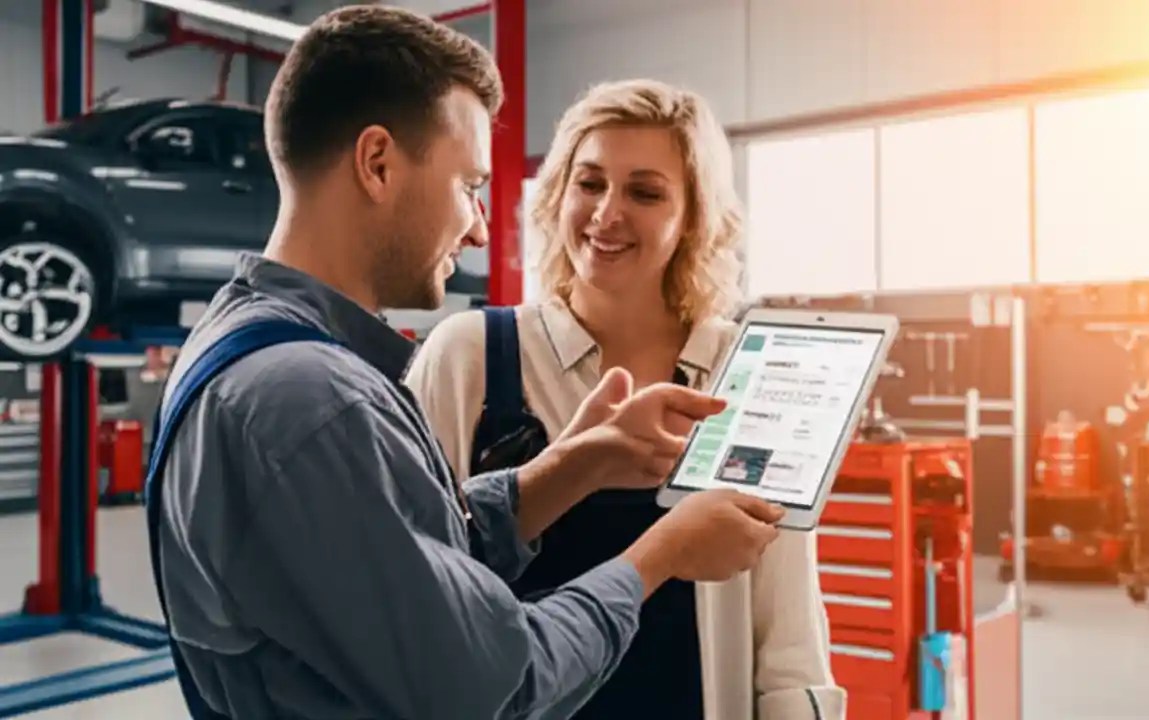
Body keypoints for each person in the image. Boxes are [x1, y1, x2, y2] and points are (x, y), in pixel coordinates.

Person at [147, 7, 786, 719]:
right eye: (469, 186)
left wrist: (578, 464)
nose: (481, 228)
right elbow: (495, 686)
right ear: (377, 164)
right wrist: (660, 555)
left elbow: (411, 555)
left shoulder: (248, 347)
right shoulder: (320, 404)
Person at [406, 79, 847, 719]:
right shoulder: (469, 355)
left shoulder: (747, 369)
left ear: (694, 216)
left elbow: (788, 637)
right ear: (558, 194)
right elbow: (411, 587)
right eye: (589, 184)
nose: (608, 213)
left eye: (644, 192)